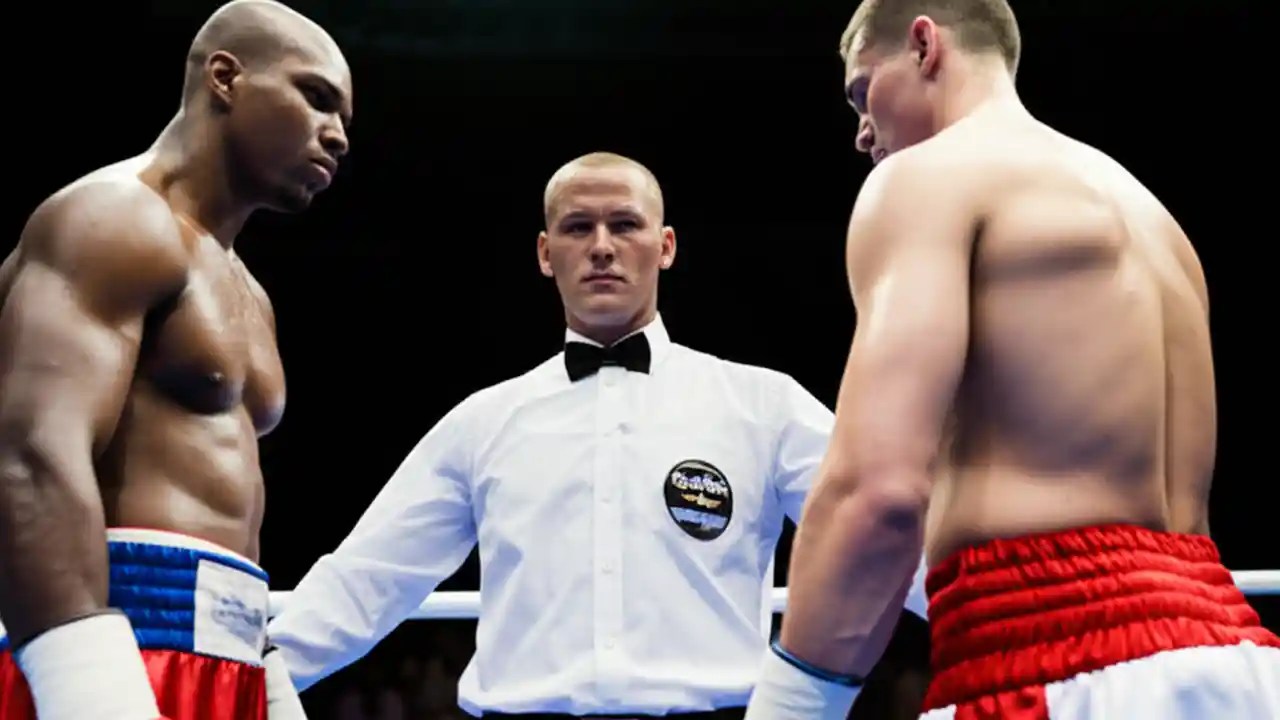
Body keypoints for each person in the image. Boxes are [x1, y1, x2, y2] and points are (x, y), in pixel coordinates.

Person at [743, 1, 1280, 718]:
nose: (862, 133)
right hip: (1234, 658)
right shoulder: (1156, 220)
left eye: (861, 93)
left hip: (1055, 661)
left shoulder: (927, 180)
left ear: (924, 44)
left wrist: (792, 701)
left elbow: (879, 492)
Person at [265, 151, 929, 718]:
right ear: (545, 253)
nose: (603, 246)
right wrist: (243, 679)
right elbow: (369, 576)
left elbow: (881, 526)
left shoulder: (761, 404)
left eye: (625, 225)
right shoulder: (484, 423)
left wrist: (1009, 631)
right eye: (578, 227)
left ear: (665, 246)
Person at [0, 1, 352, 718]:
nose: (338, 136)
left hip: (227, 663)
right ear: (225, 78)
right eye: (315, 97)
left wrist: (265, 674)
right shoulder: (113, 219)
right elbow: (31, 451)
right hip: (113, 649)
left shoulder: (248, 293)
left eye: (344, 117)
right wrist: (82, 678)